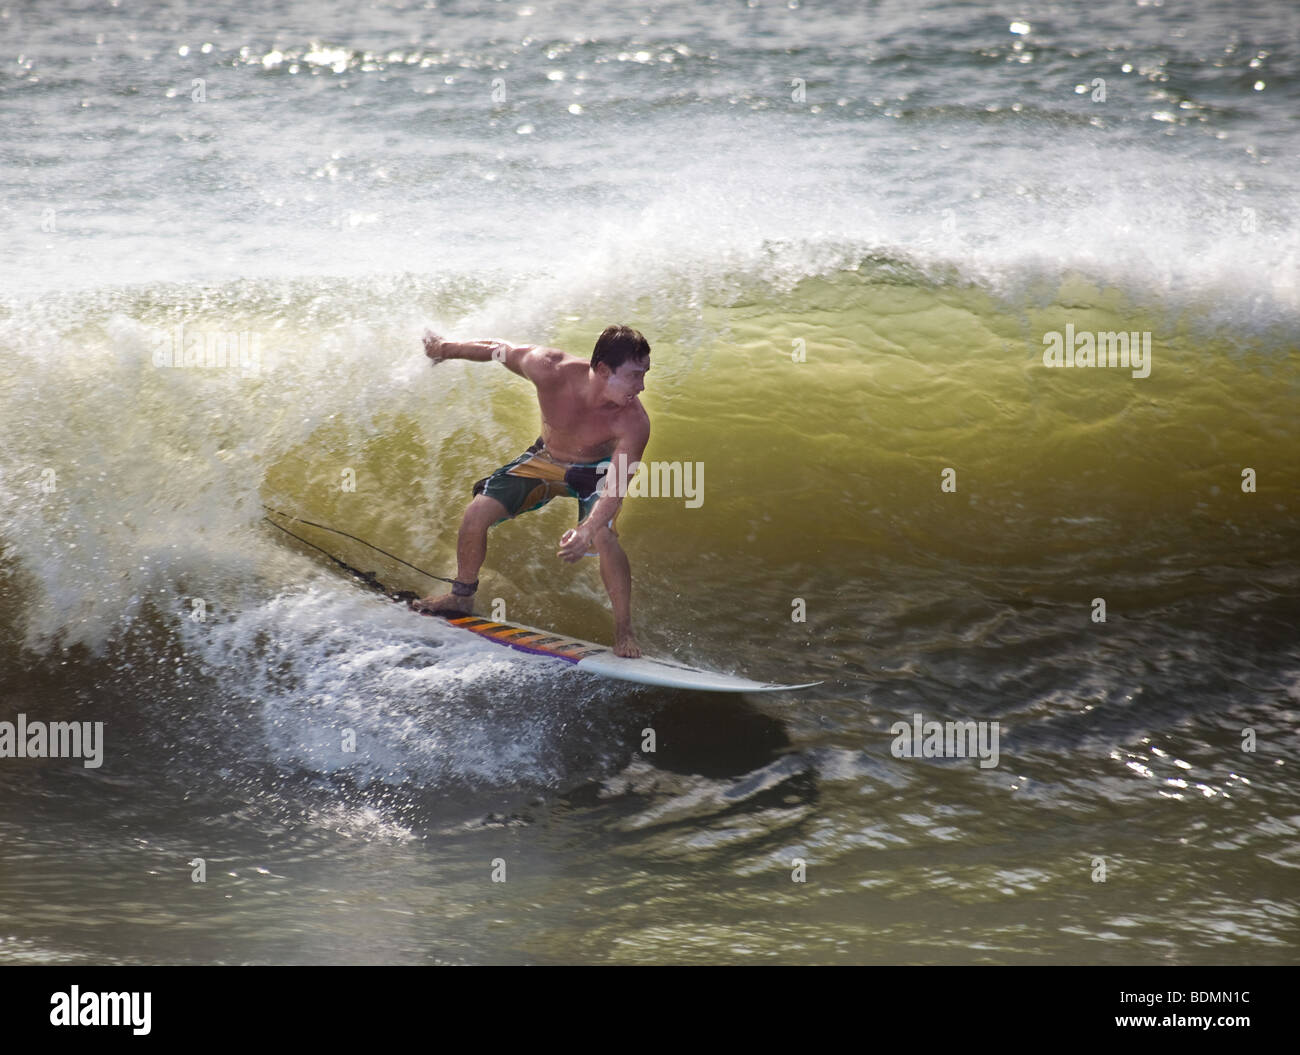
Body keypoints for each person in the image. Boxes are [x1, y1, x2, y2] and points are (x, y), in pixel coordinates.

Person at [411, 324, 651, 658]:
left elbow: (614, 489)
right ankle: (461, 595)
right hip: (543, 459)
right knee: (476, 513)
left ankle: (624, 631)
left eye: (645, 375)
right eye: (635, 376)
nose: (641, 387)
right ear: (602, 369)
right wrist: (444, 349)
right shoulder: (549, 368)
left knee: (604, 536)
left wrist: (587, 529)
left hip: (595, 473)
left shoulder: (634, 421)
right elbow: (498, 348)